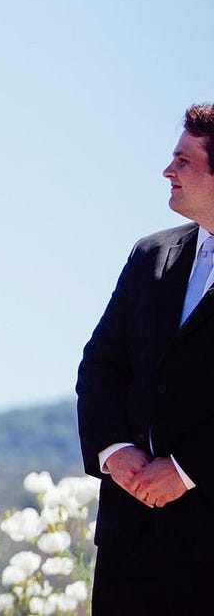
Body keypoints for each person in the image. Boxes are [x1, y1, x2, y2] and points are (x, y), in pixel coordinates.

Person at [76, 103, 214, 613]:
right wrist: (115, 452)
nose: (167, 171)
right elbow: (101, 365)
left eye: (183, 160)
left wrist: (185, 469)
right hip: (130, 541)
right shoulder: (149, 254)